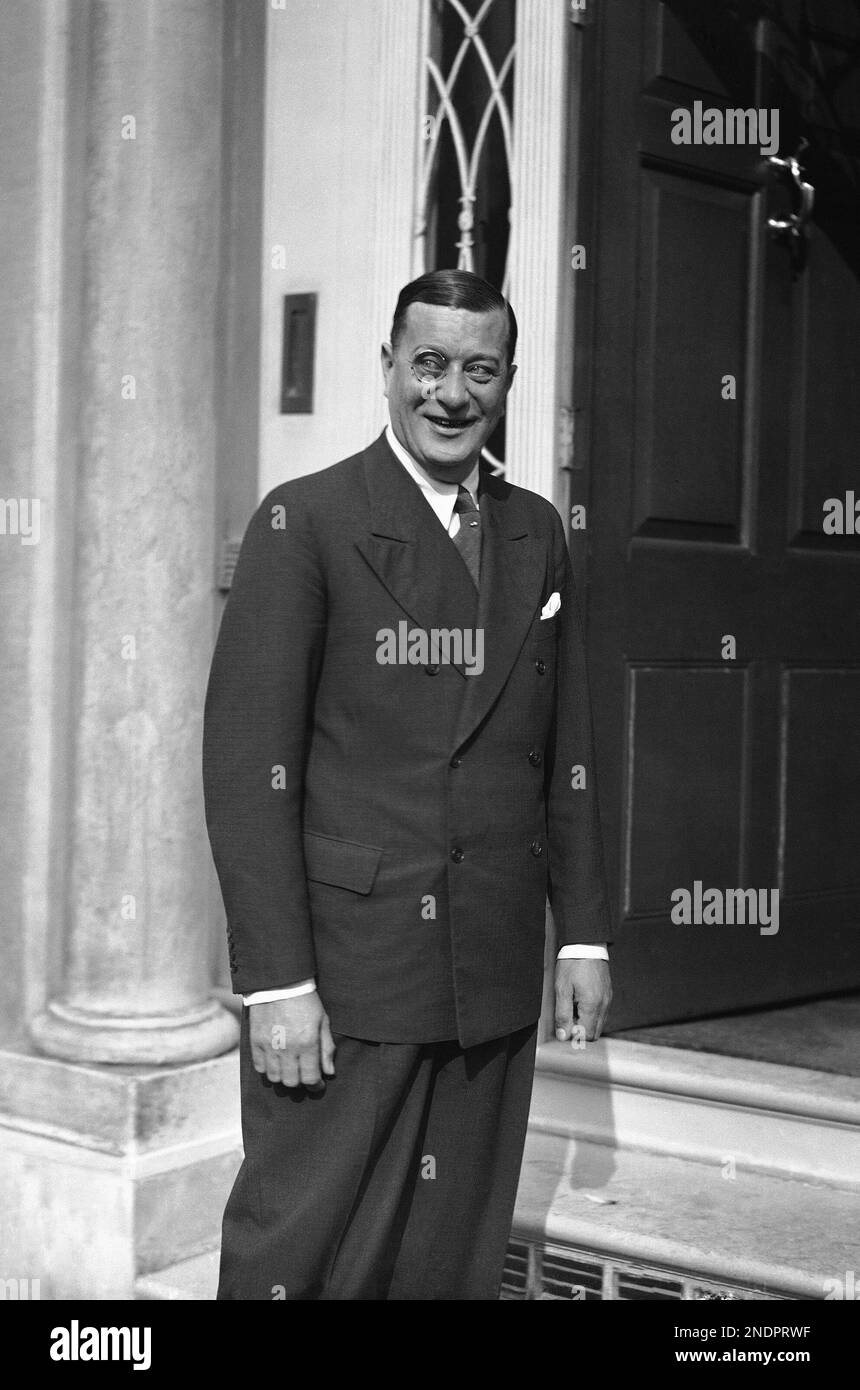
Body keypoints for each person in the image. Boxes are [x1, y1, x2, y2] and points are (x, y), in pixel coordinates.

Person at [202, 269, 614, 1300]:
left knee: (449, 1261)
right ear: (386, 366)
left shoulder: (536, 531)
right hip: (351, 973)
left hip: (490, 956)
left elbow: (560, 744)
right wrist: (275, 983)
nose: (449, 394)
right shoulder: (307, 522)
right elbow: (245, 771)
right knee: (303, 1252)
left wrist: (581, 932)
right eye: (427, 364)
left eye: (478, 370)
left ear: (508, 379)